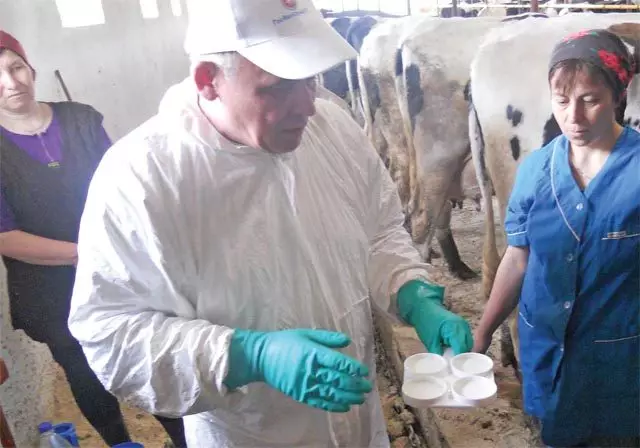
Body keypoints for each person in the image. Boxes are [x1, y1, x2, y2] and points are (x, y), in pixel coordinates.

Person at [67, 0, 474, 446]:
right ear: (208, 81)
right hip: (253, 432)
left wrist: (412, 293)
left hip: (355, 419)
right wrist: (247, 355)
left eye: (311, 80)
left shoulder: (332, 131)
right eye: (278, 86)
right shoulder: (143, 179)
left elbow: (377, 231)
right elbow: (113, 335)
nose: (309, 105)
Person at [0, 30, 187, 447]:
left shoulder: (81, 119)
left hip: (120, 273)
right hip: (51, 289)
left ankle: (183, 438)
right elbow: (6, 237)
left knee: (145, 356)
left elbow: (121, 185)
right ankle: (119, 441)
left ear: (30, 68)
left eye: (16, 68)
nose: (11, 83)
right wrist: (87, 253)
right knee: (84, 370)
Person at [472, 28, 639, 448]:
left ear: (619, 96)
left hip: (620, 359)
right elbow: (518, 258)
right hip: (548, 350)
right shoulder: (534, 171)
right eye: (562, 101)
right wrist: (483, 331)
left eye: (590, 100)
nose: (573, 118)